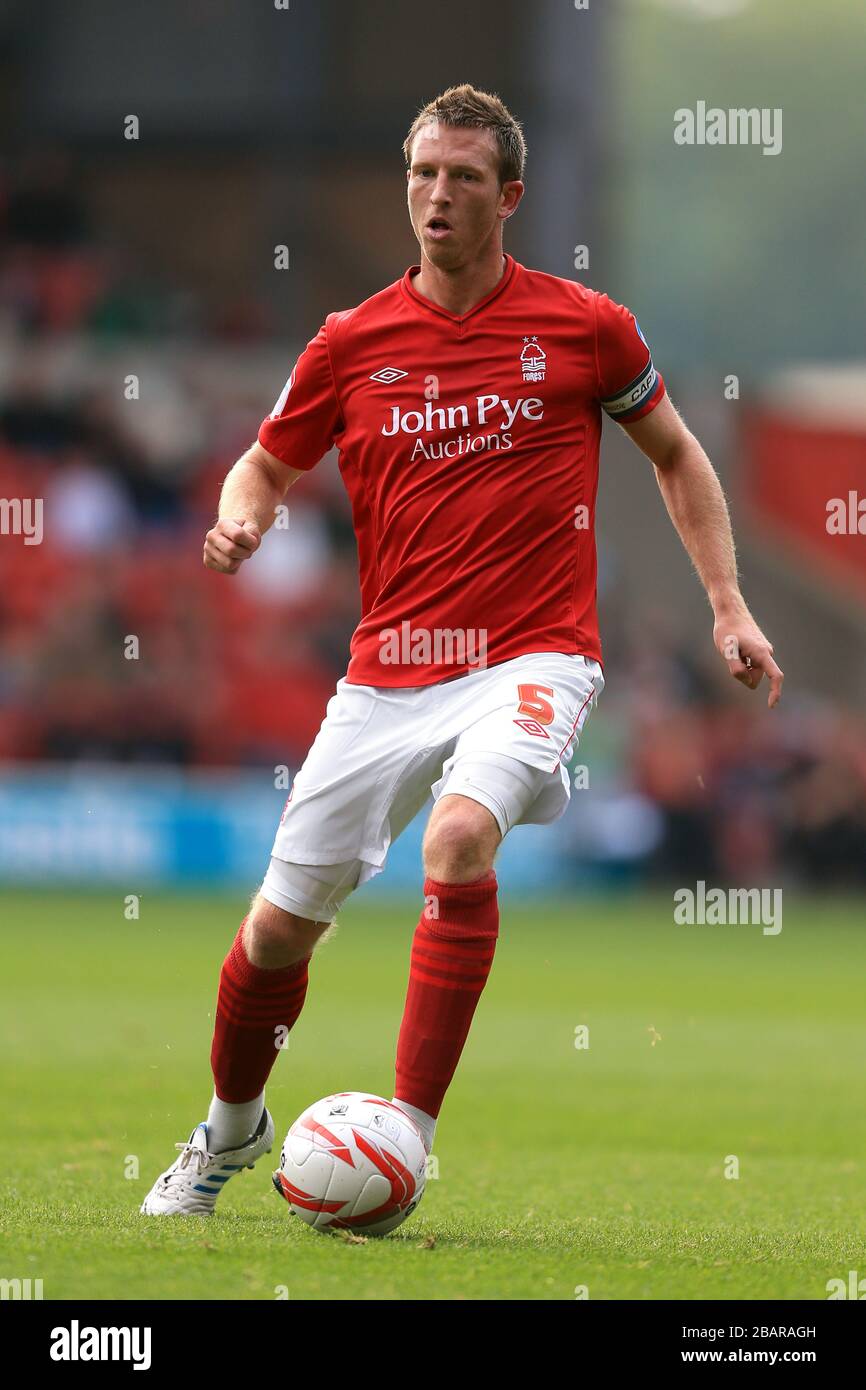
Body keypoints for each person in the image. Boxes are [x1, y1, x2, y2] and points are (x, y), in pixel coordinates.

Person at [141, 84, 783, 1217]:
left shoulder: (585, 327)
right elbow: (263, 461)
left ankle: (404, 1138)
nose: (438, 195)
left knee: (457, 839)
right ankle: (228, 1133)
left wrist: (726, 605)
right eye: (423, 174)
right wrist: (244, 515)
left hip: (532, 655)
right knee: (277, 931)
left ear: (510, 196)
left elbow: (677, 456)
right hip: (385, 671)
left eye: (465, 178)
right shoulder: (349, 343)